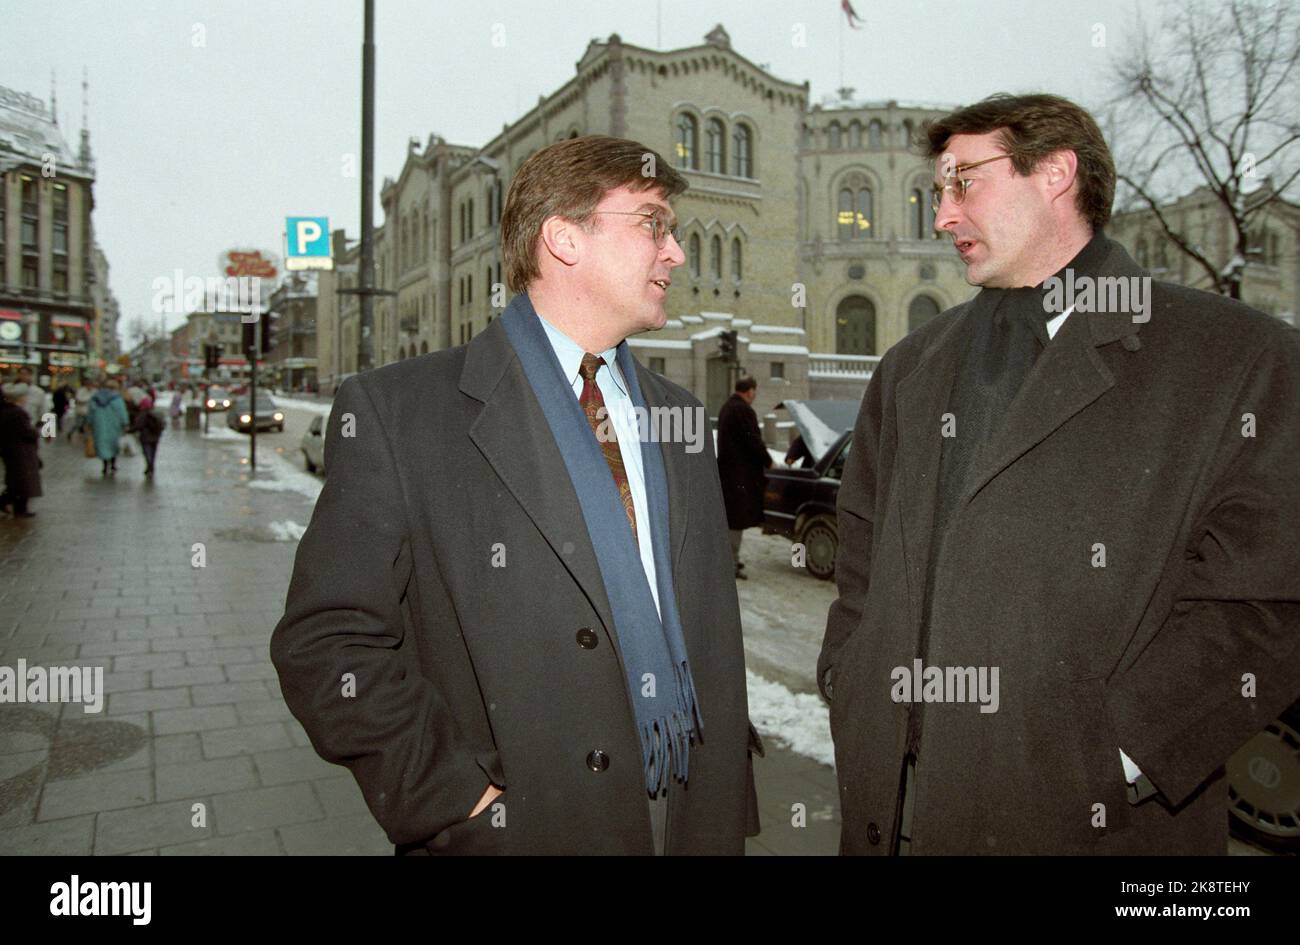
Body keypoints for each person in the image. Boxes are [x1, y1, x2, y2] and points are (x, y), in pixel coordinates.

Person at [817, 93, 1300, 856]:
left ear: (1055, 174)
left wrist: (1117, 757)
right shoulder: (911, 365)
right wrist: (851, 684)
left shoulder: (1236, 358)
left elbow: (1268, 605)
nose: (942, 215)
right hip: (895, 810)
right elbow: (862, 561)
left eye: (963, 183)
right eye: (938, 190)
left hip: (1091, 824)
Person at [272, 135, 758, 855]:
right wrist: (455, 798)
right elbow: (326, 642)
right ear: (563, 238)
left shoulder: (678, 416)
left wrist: (725, 805)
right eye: (654, 223)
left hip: (684, 817)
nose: (676, 252)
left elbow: (710, 635)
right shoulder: (399, 412)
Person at [716, 376, 772, 580]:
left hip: (728, 474)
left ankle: (730, 559)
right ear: (749, 391)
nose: (754, 395)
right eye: (754, 391)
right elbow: (753, 441)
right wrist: (768, 461)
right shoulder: (743, 410)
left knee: (731, 519)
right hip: (739, 476)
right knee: (735, 521)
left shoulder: (727, 407)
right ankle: (730, 563)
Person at [0, 382, 41, 518]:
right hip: (20, 451)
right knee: (22, 480)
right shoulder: (18, 413)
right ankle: (19, 508)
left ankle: (17, 507)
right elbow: (27, 432)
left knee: (15, 479)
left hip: (10, 450)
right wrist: (35, 431)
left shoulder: (5, 411)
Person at [88, 379, 129, 477]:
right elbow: (122, 412)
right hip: (114, 425)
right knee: (113, 444)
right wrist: (125, 423)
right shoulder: (117, 399)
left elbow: (90, 412)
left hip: (99, 425)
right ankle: (113, 464)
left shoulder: (95, 398)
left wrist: (89, 423)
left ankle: (105, 465)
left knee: (102, 443)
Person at [129, 395, 164, 478]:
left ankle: (149, 466)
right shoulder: (157, 413)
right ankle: (151, 466)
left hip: (145, 437)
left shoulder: (142, 415)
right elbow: (162, 425)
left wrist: (129, 431)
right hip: (155, 437)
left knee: (147, 452)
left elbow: (138, 426)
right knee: (153, 453)